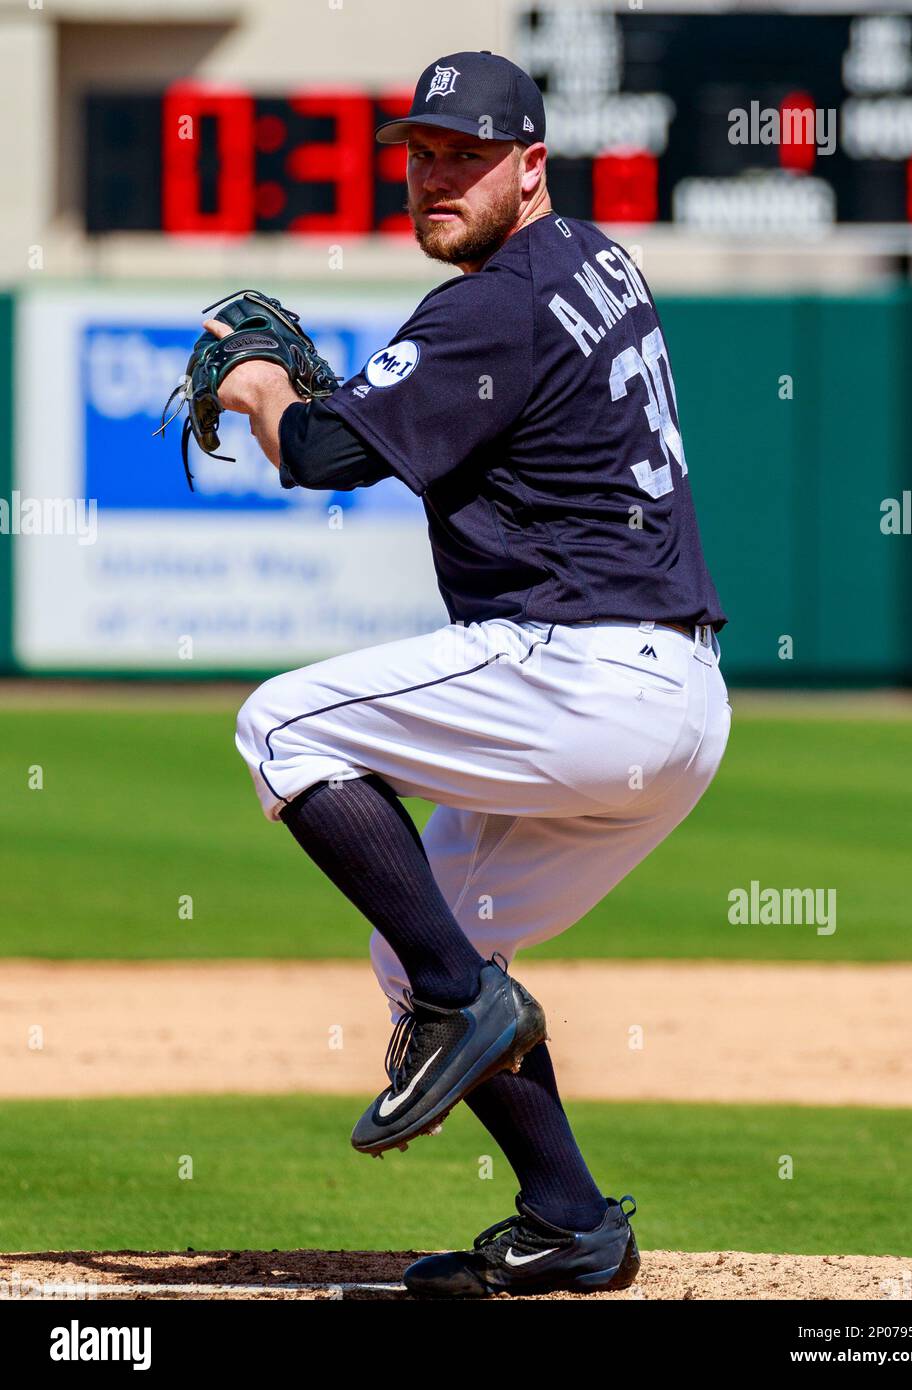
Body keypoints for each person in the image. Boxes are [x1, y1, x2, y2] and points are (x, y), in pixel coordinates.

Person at [215, 50, 731, 1299]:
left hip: (585, 671)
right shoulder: (597, 257)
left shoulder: (490, 302)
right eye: (421, 154)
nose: (437, 175)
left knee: (281, 727)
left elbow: (326, 453)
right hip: (681, 705)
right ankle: (570, 1218)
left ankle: (463, 1004)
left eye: (468, 154)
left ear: (532, 164)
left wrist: (259, 383)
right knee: (421, 941)